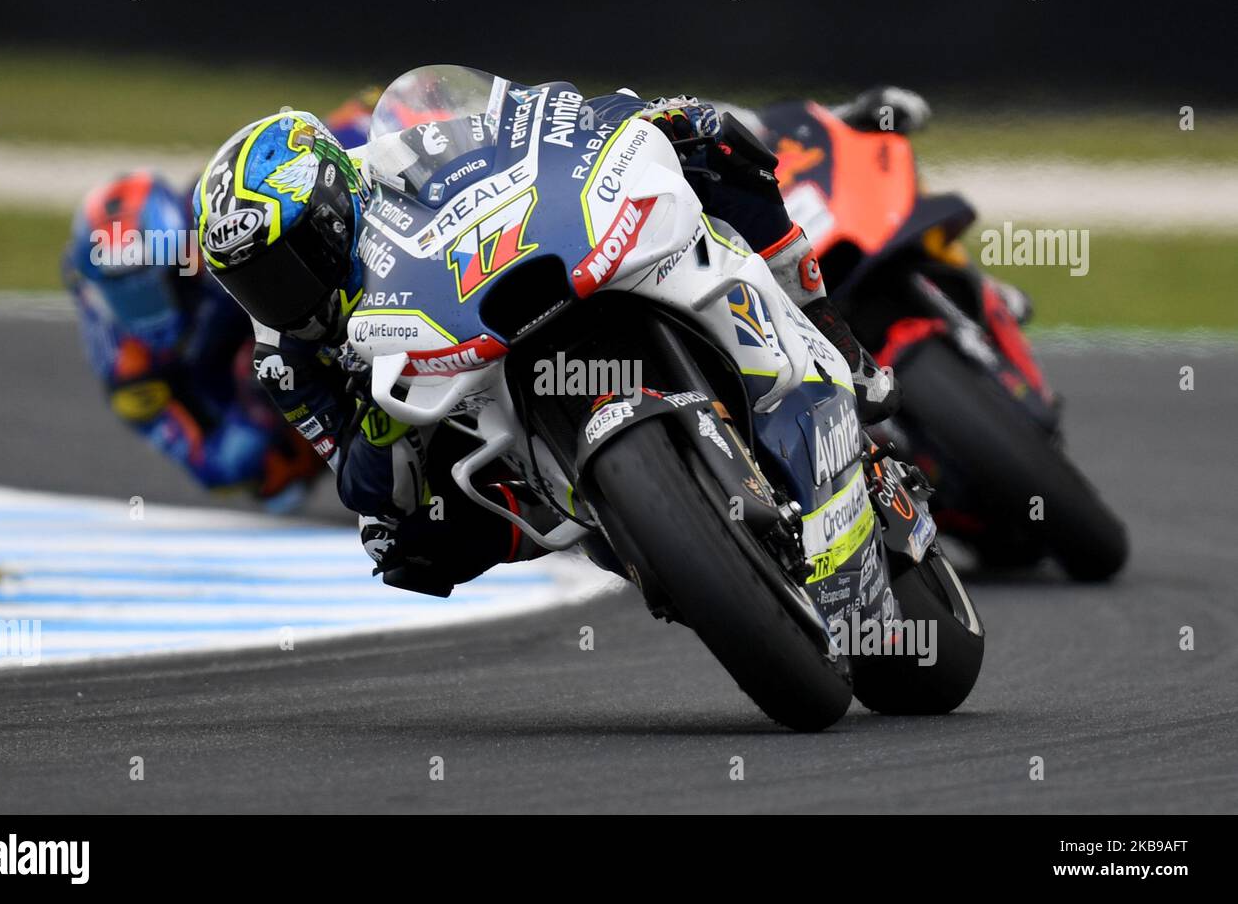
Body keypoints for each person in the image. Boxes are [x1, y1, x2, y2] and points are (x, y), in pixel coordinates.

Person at [191, 81, 897, 595]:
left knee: (706, 131)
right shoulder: (283, 355)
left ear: (333, 210)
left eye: (287, 264)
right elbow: (354, 478)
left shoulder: (396, 163)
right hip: (460, 413)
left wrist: (617, 119)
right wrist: (380, 424)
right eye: (254, 281)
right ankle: (632, 533)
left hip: (514, 280)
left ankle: (822, 320)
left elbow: (526, 120)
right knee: (400, 547)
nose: (280, 296)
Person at [61, 171, 323, 510]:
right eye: (124, 298)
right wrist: (256, 414)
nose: (143, 312)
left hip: (273, 319)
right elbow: (212, 467)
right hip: (230, 388)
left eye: (150, 291)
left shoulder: (222, 213)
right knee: (268, 477)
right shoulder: (126, 366)